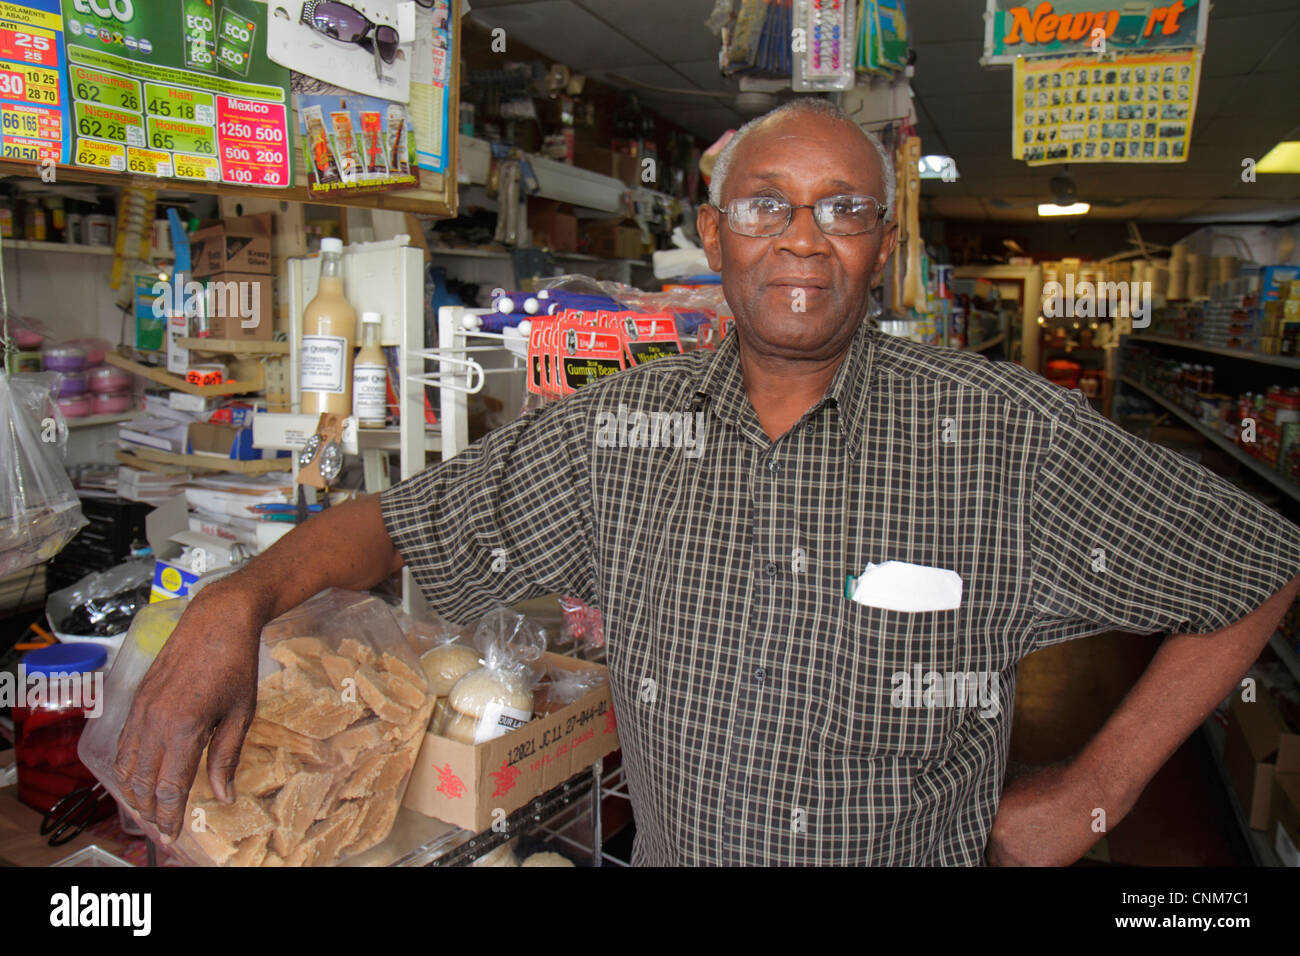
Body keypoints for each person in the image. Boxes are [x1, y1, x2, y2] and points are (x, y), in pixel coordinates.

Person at [114, 98, 1300, 866]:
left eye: (842, 211)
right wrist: (238, 602)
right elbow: (406, 520)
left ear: (881, 247)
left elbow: (1256, 564)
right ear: (716, 233)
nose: (800, 238)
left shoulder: (1002, 433)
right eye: (764, 206)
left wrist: (1095, 791)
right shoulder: (617, 431)